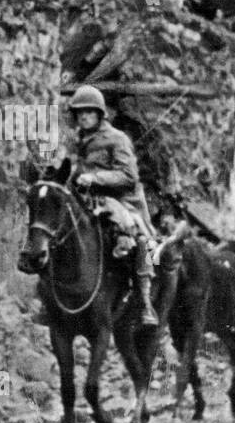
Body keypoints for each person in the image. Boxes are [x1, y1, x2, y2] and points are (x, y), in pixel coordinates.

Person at [38, 84, 158, 328]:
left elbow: (129, 176)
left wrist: (95, 179)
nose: (84, 117)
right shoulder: (75, 142)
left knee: (136, 238)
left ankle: (144, 301)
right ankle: (47, 298)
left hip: (120, 199)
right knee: (53, 228)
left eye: (89, 112)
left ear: (100, 114)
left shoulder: (117, 139)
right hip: (84, 198)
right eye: (80, 113)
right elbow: (69, 171)